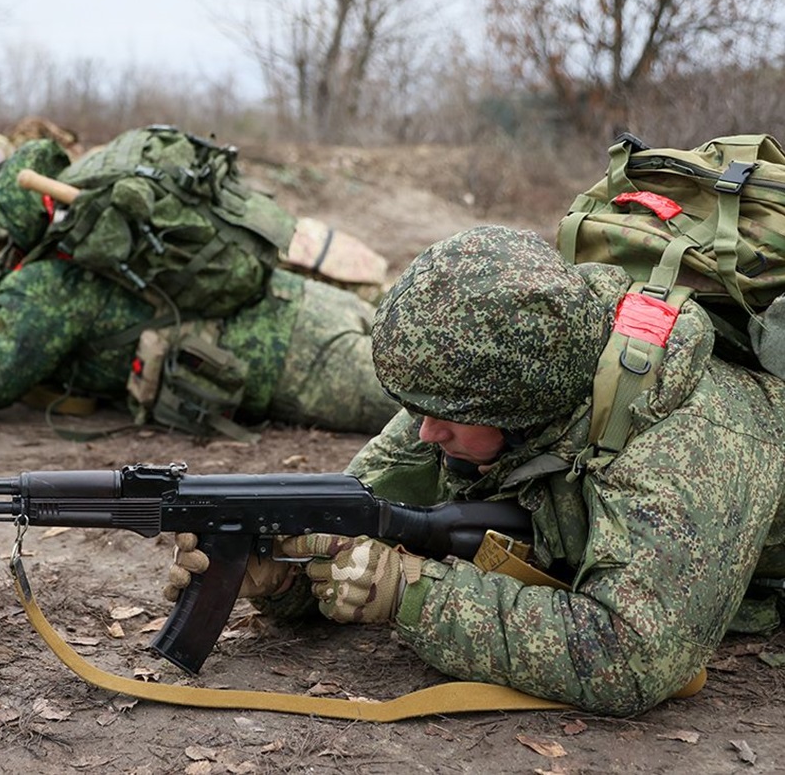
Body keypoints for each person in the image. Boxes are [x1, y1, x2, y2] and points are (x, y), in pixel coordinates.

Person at [166, 225, 785, 717]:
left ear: (523, 409)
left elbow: (630, 659)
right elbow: (354, 520)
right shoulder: (466, 397)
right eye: (416, 410)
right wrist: (282, 574)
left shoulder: (684, 441)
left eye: (445, 418)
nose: (425, 432)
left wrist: (413, 594)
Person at [0, 139, 400, 436]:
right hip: (307, 302)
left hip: (298, 359)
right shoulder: (84, 238)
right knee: (439, 373)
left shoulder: (44, 287)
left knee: (445, 407)